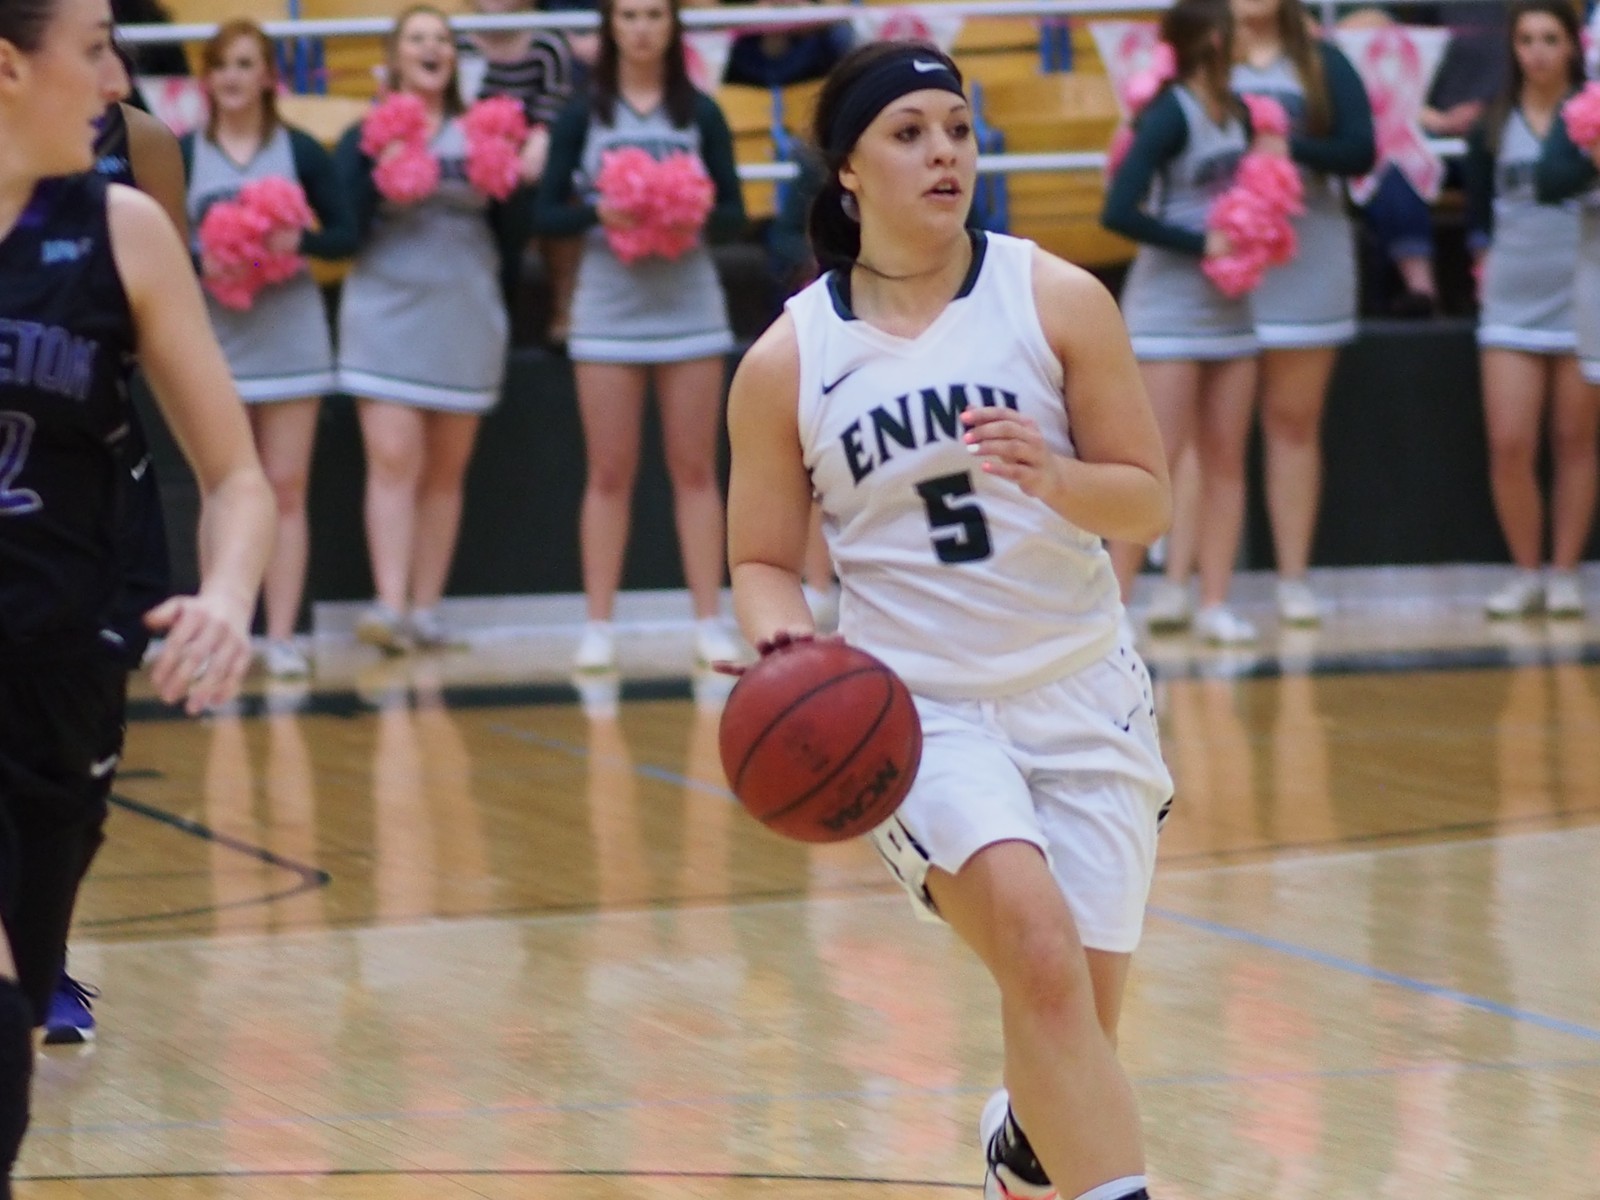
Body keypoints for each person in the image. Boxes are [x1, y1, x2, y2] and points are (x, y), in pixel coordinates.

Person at [726, 40, 1174, 1200]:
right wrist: (785, 642)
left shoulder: (1056, 297)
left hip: (1083, 690)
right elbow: (763, 559)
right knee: (1036, 952)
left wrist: (1061, 481)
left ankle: (1021, 1159)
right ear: (847, 173)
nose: (943, 154)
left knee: (1071, 1023)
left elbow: (1149, 493)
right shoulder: (789, 360)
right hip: (918, 715)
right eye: (910, 133)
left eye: (958, 129)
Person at [0, 0, 274, 1184]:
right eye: (95, 46)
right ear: (9, 66)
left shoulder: (120, 230)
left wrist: (223, 595)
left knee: (20, 979)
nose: (116, 78)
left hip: (62, 658)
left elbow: (241, 479)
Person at [40, 41, 189, 1051]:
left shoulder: (141, 149)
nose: (107, 68)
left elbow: (161, 334)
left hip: (88, 484)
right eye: (87, 44)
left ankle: (38, 952)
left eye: (109, 44)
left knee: (68, 756)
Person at [533, 0, 745, 674]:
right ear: (611, 27)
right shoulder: (581, 114)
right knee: (608, 472)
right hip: (607, 313)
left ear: (672, 25)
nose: (643, 27)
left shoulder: (701, 113)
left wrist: (693, 213)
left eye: (655, 14)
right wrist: (603, 208)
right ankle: (599, 627)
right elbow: (543, 213)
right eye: (629, 15)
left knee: (695, 470)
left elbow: (737, 217)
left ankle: (709, 620)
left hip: (689, 309)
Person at [335, 5, 528, 654]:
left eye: (442, 39)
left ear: (455, 58)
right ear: (394, 56)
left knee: (446, 471)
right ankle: (388, 606)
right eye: (418, 39)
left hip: (466, 310)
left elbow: (511, 226)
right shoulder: (366, 132)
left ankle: (425, 610)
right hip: (385, 311)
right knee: (394, 461)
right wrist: (375, 167)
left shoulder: (486, 132)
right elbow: (342, 226)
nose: (432, 48)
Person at [184, 20, 356, 677]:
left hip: (291, 337)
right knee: (222, 487)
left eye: (245, 63)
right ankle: (220, 638)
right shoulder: (184, 153)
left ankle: (281, 637)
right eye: (221, 64)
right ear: (206, 79)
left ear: (267, 76)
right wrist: (208, 260)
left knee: (286, 488)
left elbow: (343, 236)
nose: (232, 76)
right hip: (215, 342)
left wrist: (297, 244)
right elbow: (160, 242)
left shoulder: (304, 151)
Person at [1100, 0, 1260, 644]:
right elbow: (1118, 210)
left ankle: (1213, 601)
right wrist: (1200, 245)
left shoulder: (1244, 113)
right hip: (1167, 309)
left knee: (1226, 459)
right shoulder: (1167, 114)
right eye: (1239, 31)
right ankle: (1111, 612)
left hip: (1232, 308)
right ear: (1216, 41)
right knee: (1155, 464)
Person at [1226, 0, 1373, 626]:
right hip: (1222, 262)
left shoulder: (1323, 62)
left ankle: (1293, 580)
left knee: (1292, 423)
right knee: (1213, 434)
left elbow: (1360, 151)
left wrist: (1285, 148)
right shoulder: (1193, 60)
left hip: (1307, 255)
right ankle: (1201, 588)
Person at [1473, 1, 1591, 618]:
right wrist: (1479, 262)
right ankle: (1526, 572)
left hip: (1582, 297)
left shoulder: (1592, 116)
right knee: (1510, 443)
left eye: (1550, 38)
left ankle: (1566, 572)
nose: (1538, 51)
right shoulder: (1493, 123)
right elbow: (1474, 214)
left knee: (1575, 441)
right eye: (1526, 39)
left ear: (1573, 45)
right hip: (1511, 301)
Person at [456, 0, 582, 346]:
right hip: (472, 157)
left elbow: (557, 101)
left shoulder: (547, 43)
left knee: (557, 192)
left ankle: (562, 308)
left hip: (535, 155)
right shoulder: (457, 42)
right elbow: (458, 107)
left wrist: (539, 138)